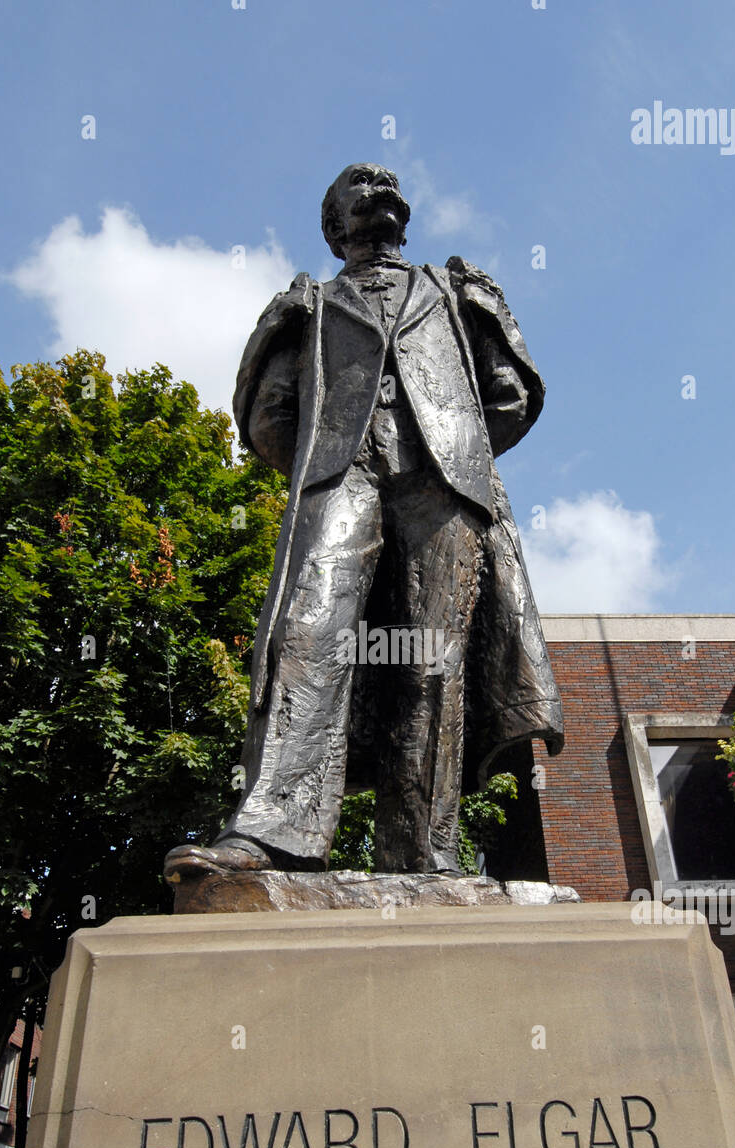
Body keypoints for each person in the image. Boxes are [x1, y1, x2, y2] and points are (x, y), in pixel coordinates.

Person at [166, 163, 563, 880]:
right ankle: (274, 831)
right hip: (341, 476)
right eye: (358, 186)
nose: (378, 190)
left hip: (440, 483)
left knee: (429, 662)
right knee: (309, 629)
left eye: (387, 184)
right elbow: (267, 417)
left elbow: (509, 395)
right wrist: (329, 463)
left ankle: (422, 852)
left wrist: (453, 452)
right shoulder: (307, 306)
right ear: (333, 224)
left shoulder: (453, 290)